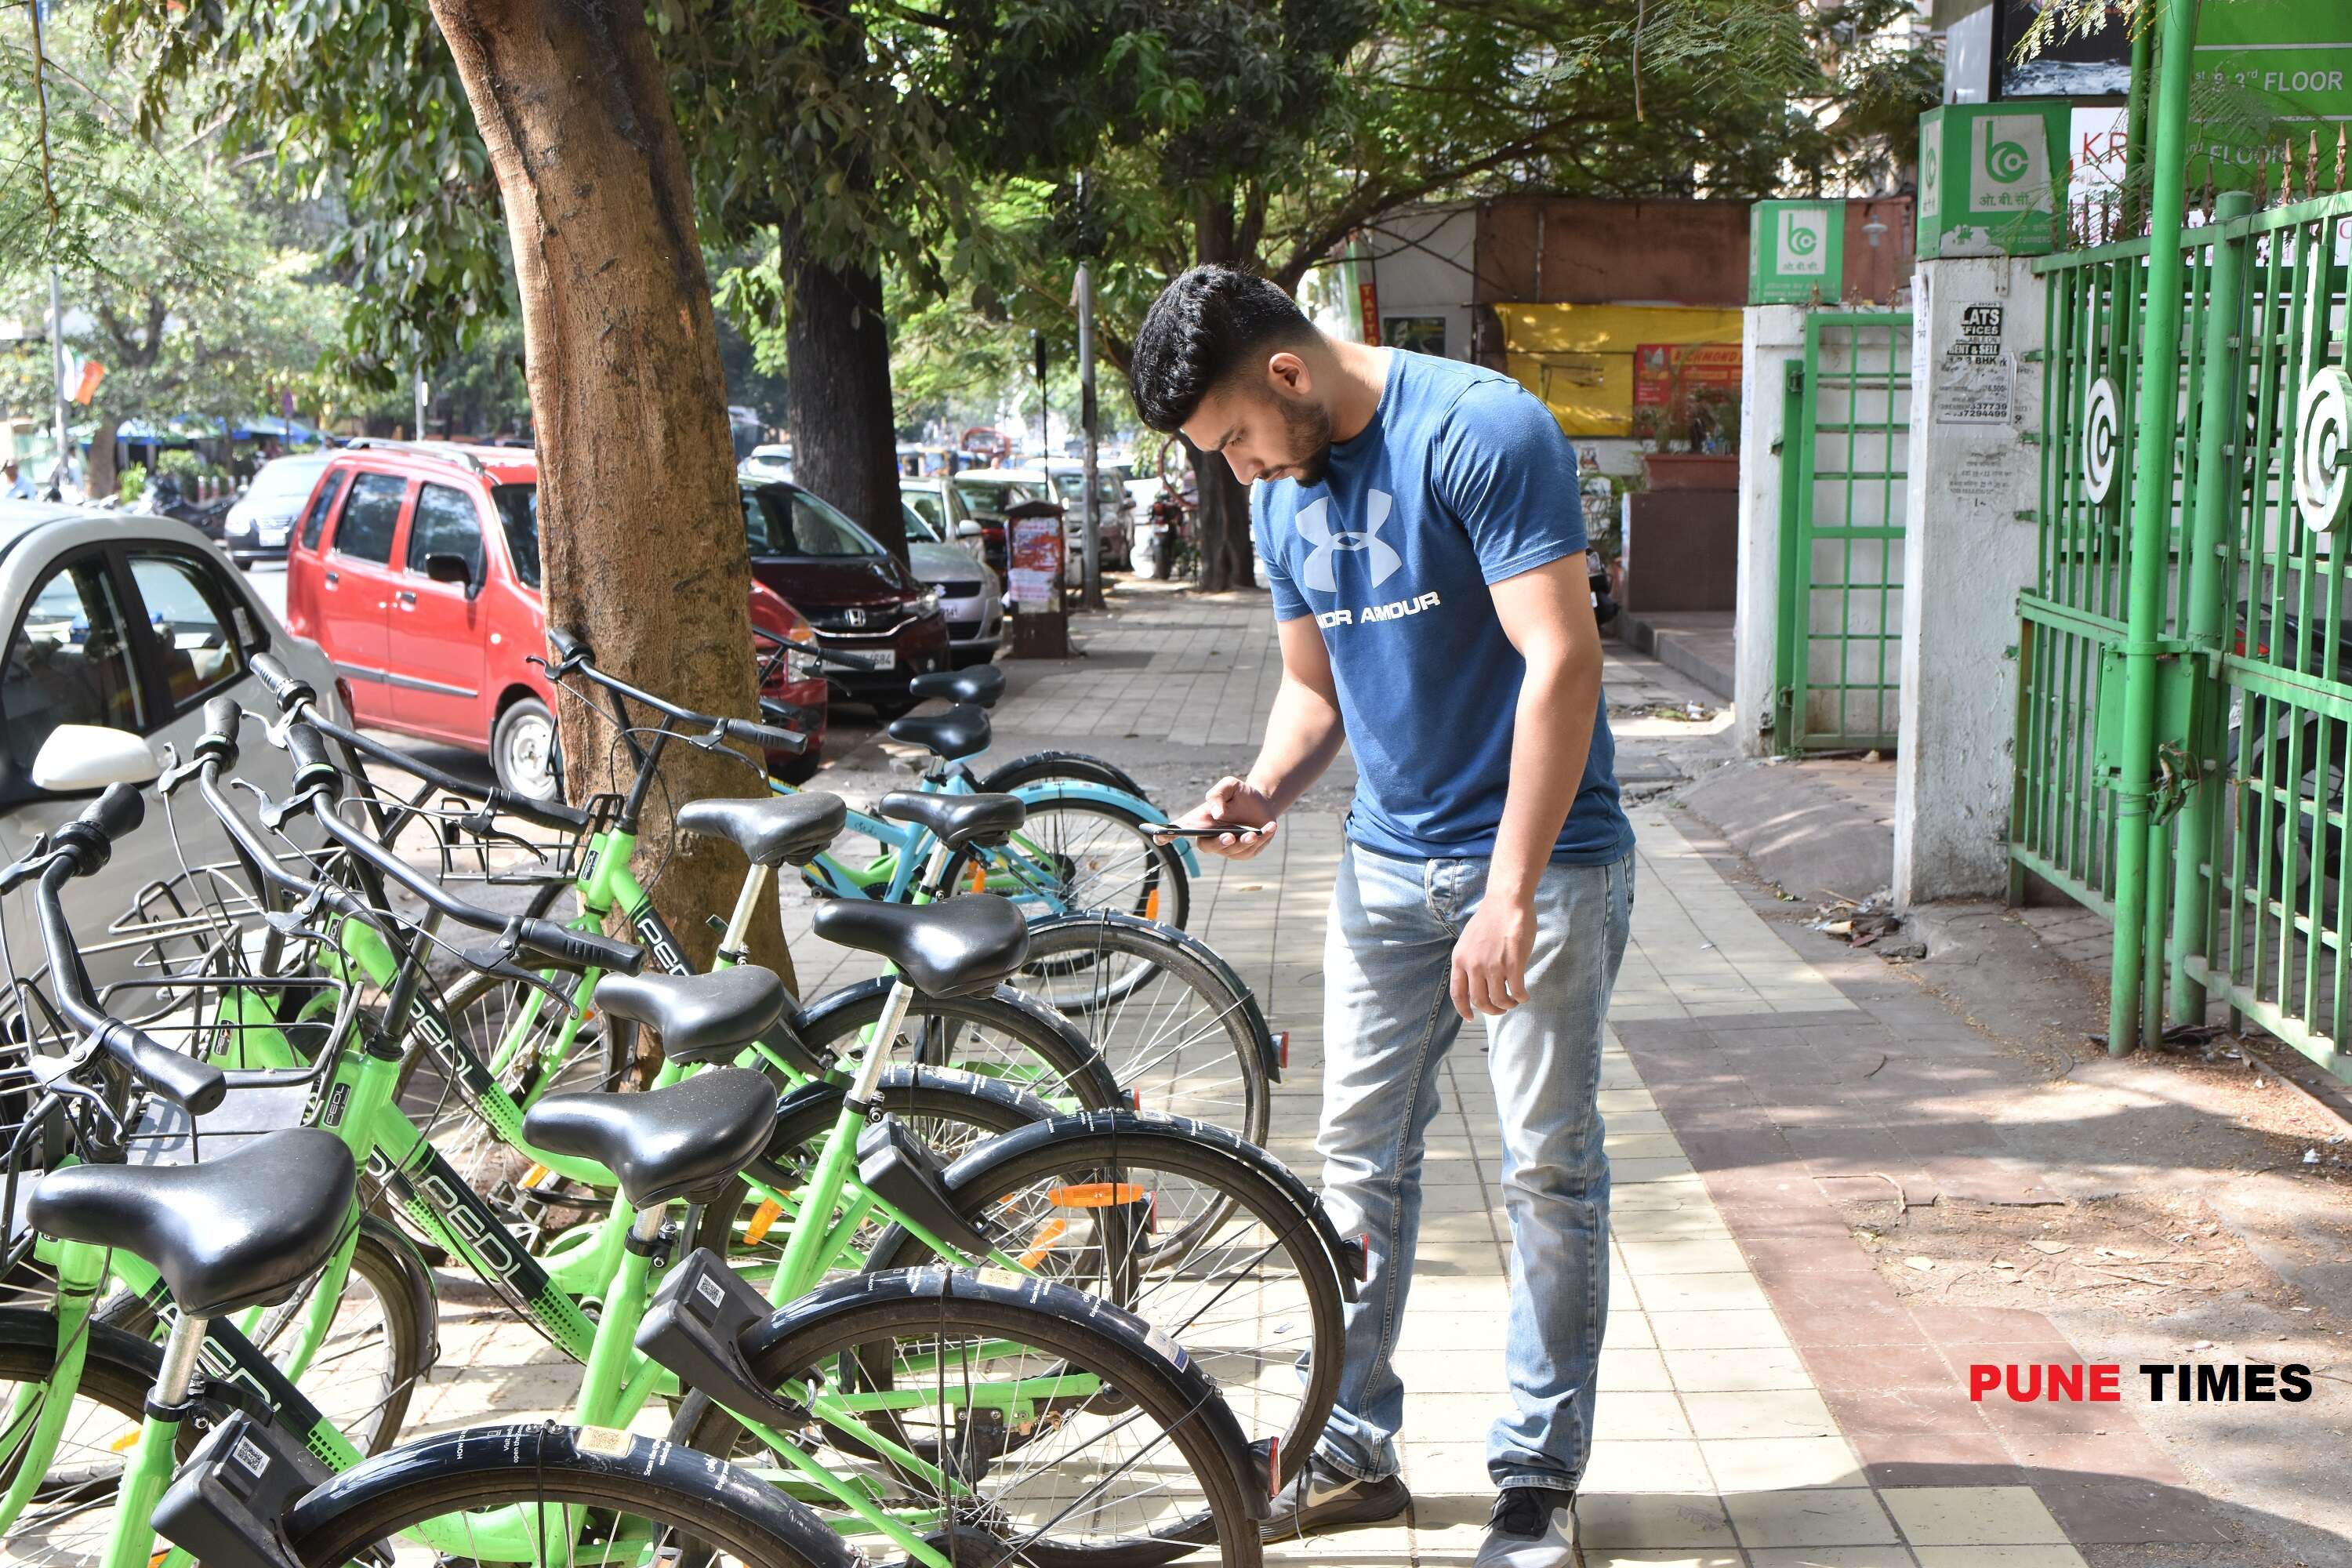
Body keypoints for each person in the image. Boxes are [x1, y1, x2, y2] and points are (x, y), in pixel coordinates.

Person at [1127, 267, 1632, 1568]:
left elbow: (1562, 658)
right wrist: (1265, 787)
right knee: (1356, 1164)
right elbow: (1316, 690)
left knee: (1548, 1168)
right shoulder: (1285, 496)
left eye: (1237, 438)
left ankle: (1538, 1478)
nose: (1239, 471)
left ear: (1288, 373)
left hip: (1542, 864)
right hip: (1386, 869)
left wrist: (1509, 890)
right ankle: (1350, 1443)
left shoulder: (1481, 430)